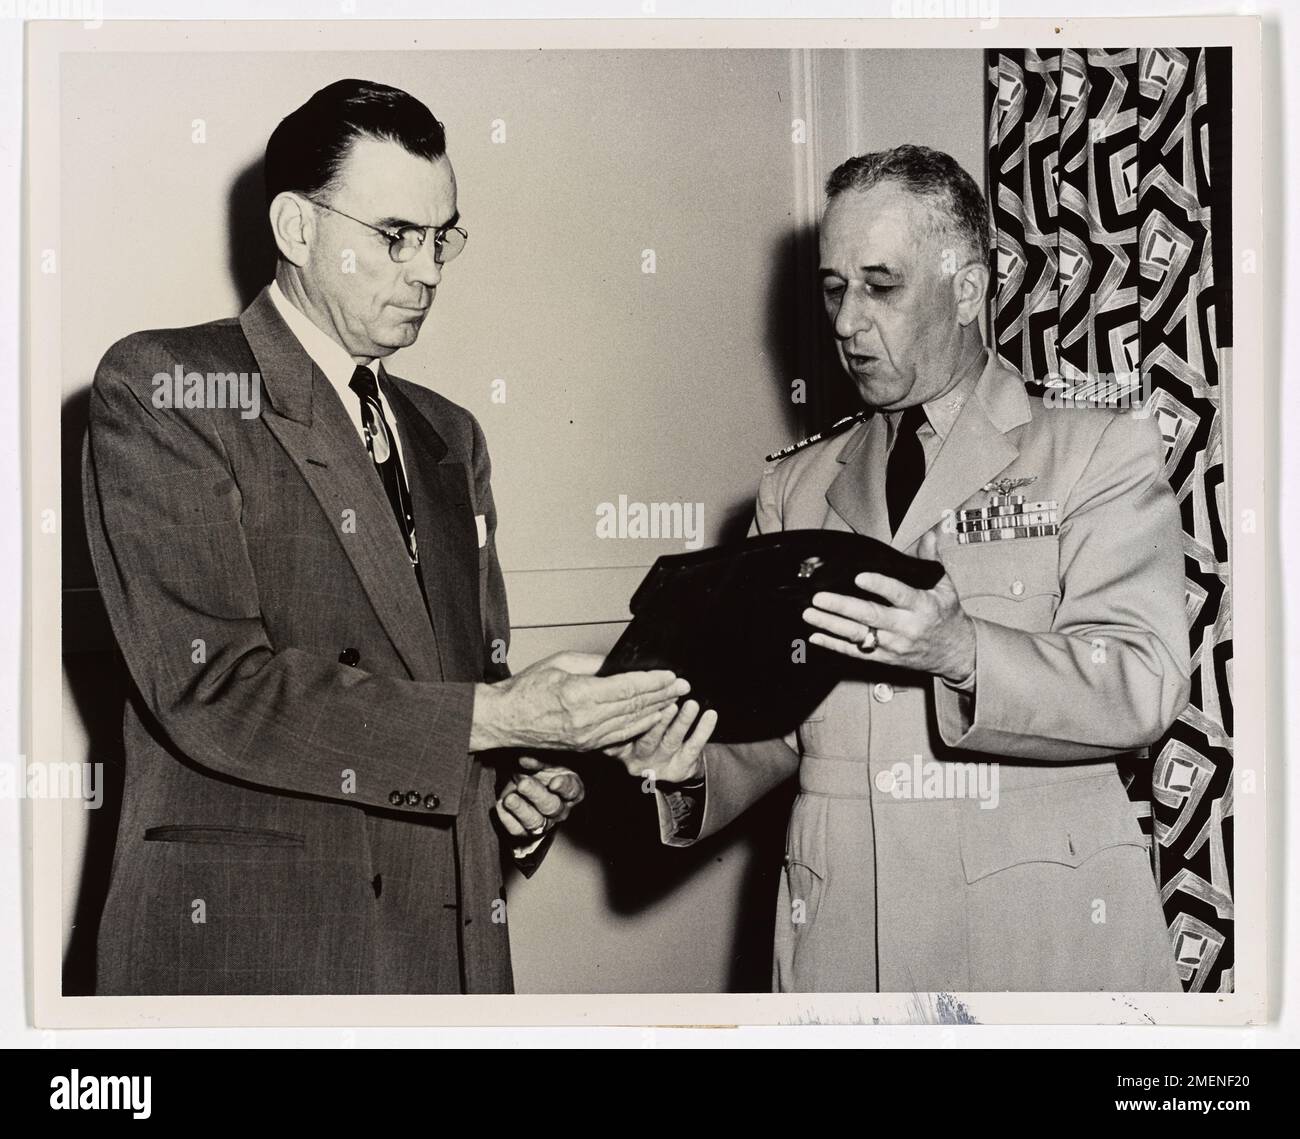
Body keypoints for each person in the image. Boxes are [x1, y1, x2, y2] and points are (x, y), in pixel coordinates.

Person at [81, 79, 686, 995]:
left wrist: (516, 788)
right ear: (296, 229)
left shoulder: (449, 437)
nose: (430, 269)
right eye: (396, 237)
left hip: (443, 957)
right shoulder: (169, 386)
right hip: (263, 958)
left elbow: (454, 695)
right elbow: (215, 686)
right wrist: (502, 717)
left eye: (443, 238)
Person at [618, 145, 1191, 993]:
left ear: (967, 289)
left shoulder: (1095, 449)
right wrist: (684, 769)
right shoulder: (795, 485)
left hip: (1035, 941)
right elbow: (784, 729)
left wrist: (963, 651)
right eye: (834, 287)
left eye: (880, 286)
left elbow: (1142, 681)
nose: (848, 321)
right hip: (847, 943)